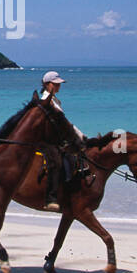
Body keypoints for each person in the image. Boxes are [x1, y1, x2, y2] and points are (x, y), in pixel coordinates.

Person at [37, 71, 88, 212]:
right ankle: (52, 197)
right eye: (56, 84)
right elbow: (62, 123)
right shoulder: (47, 101)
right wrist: (79, 135)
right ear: (47, 84)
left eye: (59, 84)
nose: (59, 86)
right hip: (48, 140)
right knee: (57, 161)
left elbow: (64, 123)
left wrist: (79, 135)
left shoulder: (55, 100)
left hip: (57, 137)